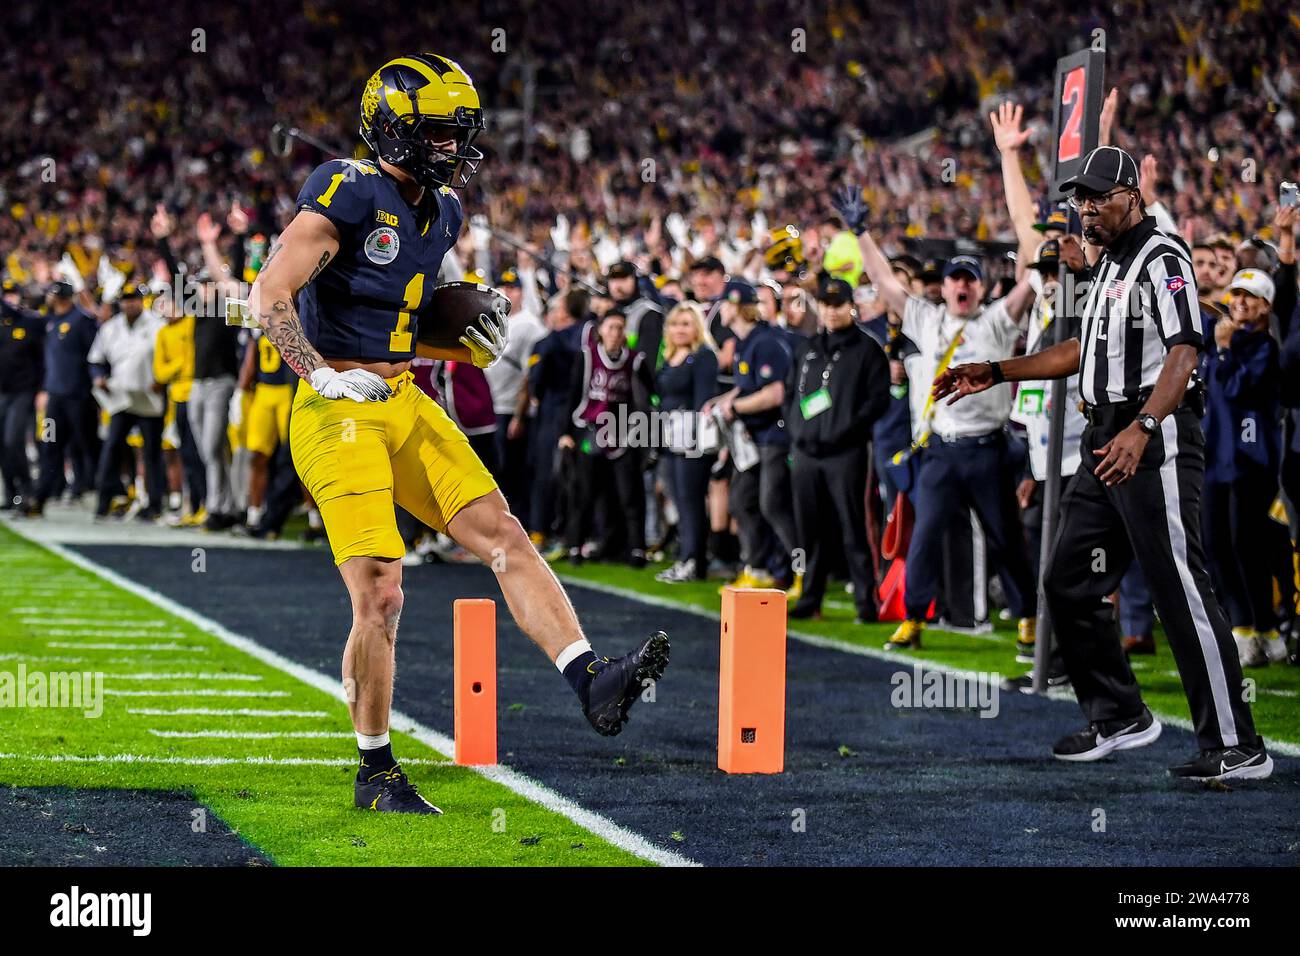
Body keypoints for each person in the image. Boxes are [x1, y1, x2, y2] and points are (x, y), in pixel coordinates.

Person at [247, 54, 669, 815]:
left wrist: (463, 330)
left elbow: (405, 317)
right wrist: (315, 373)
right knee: (381, 592)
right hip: (335, 404)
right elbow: (268, 294)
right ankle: (375, 769)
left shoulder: (443, 212)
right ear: (391, 128)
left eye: (458, 134)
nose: (451, 148)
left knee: (504, 532)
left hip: (402, 394)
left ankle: (590, 677)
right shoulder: (344, 187)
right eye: (437, 133)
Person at [935, 146, 1271, 781]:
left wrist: (1145, 426)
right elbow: (1078, 352)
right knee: (1066, 579)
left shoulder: (1162, 253)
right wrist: (996, 371)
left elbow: (1185, 350)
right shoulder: (1110, 263)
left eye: (1097, 198)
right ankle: (1118, 714)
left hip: (1155, 436)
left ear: (1132, 197)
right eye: (1079, 199)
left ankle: (1237, 743)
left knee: (1179, 585)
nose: (1086, 209)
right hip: (1105, 438)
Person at [835, 187, 1039, 659]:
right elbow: (886, 283)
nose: (962, 287)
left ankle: (1027, 616)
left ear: (981, 287)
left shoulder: (996, 322)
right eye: (955, 281)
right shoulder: (926, 321)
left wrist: (1039, 235)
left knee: (1006, 536)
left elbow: (1029, 280)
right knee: (924, 535)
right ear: (944, 287)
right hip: (942, 449)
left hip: (987, 448)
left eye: (970, 280)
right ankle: (913, 617)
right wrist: (861, 233)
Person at [787, 277, 890, 622]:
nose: (831, 311)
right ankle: (810, 596)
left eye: (838, 304)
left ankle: (866, 602)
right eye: (826, 304)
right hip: (806, 454)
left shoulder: (868, 349)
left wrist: (847, 431)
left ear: (852, 307)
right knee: (809, 530)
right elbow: (791, 394)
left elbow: (878, 401)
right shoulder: (808, 347)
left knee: (854, 528)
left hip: (846, 453)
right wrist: (798, 431)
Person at [1202, 269, 1287, 667]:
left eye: (1250, 296)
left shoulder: (1264, 348)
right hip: (1216, 459)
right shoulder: (1226, 339)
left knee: (1245, 546)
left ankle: (1258, 629)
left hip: (1250, 462)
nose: (1239, 301)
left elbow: (1236, 390)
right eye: (1236, 293)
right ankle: (1252, 629)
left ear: (1266, 305)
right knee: (1215, 543)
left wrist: (1222, 350)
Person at [704, 278, 799, 589]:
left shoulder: (766, 342)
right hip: (755, 440)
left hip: (775, 436)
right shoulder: (745, 342)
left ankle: (803, 570)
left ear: (738, 307)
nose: (722, 309)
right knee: (742, 501)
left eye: (726, 304)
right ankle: (757, 567)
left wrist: (736, 408)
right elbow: (746, 387)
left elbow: (774, 394)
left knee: (774, 505)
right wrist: (721, 402)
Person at [560, 308, 654, 566]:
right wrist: (566, 432)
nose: (615, 333)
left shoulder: (634, 360)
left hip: (621, 434)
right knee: (584, 493)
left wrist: (645, 430)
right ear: (601, 330)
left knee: (629, 494)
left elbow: (651, 395)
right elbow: (573, 395)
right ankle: (575, 546)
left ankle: (636, 549)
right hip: (590, 432)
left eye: (620, 328)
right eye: (610, 327)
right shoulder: (588, 356)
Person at [87, 283, 167, 519]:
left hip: (148, 398)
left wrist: (162, 380)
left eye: (134, 299)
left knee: (152, 451)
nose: (130, 303)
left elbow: (167, 356)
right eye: (126, 299)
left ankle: (154, 505)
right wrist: (99, 377)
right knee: (112, 448)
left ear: (142, 301)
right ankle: (105, 499)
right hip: (121, 396)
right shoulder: (110, 328)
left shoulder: (156, 325)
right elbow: (95, 360)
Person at [654, 301, 719, 583]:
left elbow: (703, 401)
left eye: (686, 324)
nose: (679, 330)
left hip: (692, 439)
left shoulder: (704, 356)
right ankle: (686, 557)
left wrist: (695, 439)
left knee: (691, 501)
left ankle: (694, 560)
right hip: (670, 437)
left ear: (697, 327)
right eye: (675, 324)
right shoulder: (670, 356)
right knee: (679, 499)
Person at [30, 281, 100, 515]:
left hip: (78, 395)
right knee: (50, 445)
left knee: (84, 443)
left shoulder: (82, 321)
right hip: (55, 397)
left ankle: (95, 490)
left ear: (61, 297)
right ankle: (45, 493)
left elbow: (94, 356)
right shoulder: (49, 322)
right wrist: (43, 389)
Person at [0, 280, 44, 510]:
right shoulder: (2, 324)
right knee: (2, 444)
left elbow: (43, 359)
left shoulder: (31, 322)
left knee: (13, 440)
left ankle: (27, 489)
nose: (9, 299)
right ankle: (11, 494)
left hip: (24, 391)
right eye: (6, 294)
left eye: (13, 294)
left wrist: (42, 389)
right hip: (3, 391)